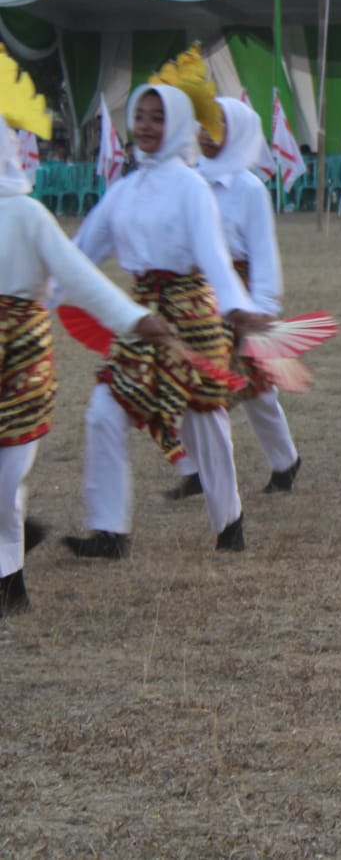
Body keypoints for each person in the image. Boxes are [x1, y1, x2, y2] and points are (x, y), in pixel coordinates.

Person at [65, 76, 271, 559]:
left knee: (205, 425)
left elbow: (215, 258)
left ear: (176, 124)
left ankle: (230, 524)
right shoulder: (125, 189)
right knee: (103, 411)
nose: (144, 126)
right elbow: (79, 253)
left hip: (192, 319)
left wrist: (239, 307)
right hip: (142, 319)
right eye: (139, 116)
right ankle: (109, 533)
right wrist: (36, 287)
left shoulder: (191, 187)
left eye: (157, 118)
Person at [0, 78, 174, 614]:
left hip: (21, 364)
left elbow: (79, 276)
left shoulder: (28, 216)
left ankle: (10, 579)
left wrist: (135, 319)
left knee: (7, 476)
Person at [165, 97, 302, 502]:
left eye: (218, 127)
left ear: (238, 132)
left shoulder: (249, 189)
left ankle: (285, 461)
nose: (207, 135)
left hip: (240, 298)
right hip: (195, 296)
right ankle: (196, 469)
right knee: (188, 381)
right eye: (204, 126)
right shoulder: (189, 180)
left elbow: (263, 253)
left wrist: (262, 309)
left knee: (256, 389)